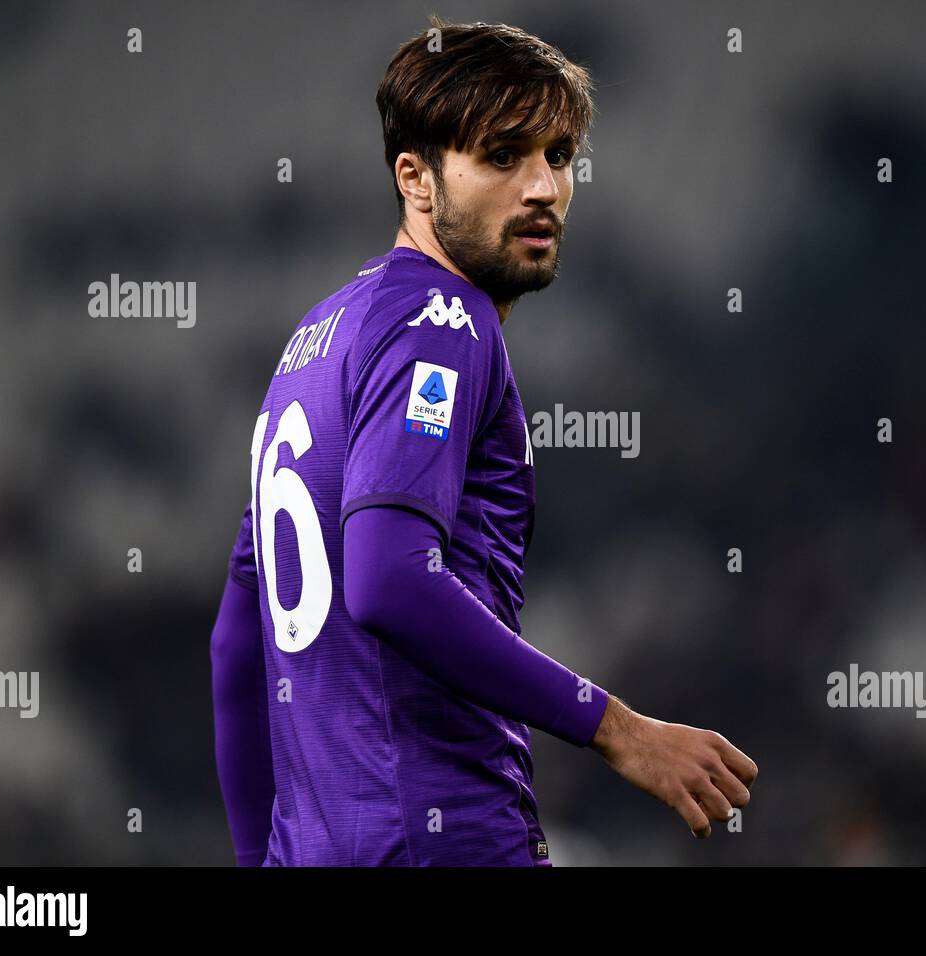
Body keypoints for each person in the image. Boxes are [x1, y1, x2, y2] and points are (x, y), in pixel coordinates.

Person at [210, 16, 757, 867]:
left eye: (560, 155)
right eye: (503, 157)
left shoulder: (315, 343)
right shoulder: (442, 322)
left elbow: (237, 645)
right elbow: (389, 580)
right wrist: (617, 729)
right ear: (416, 179)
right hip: (445, 837)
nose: (543, 187)